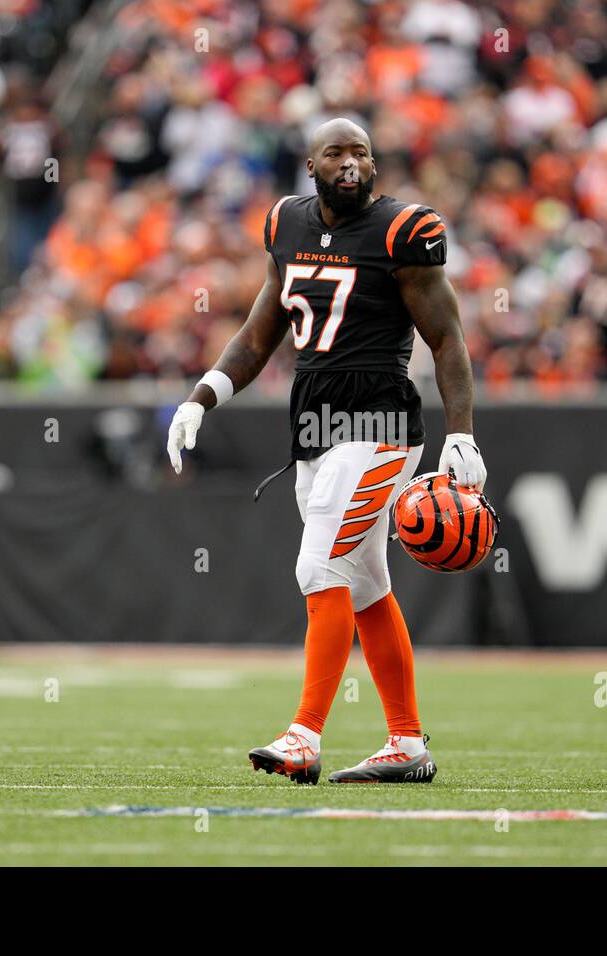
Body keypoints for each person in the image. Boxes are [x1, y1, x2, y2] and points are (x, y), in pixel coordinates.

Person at [166, 118, 486, 784]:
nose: (352, 163)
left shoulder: (405, 231)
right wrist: (202, 398)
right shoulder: (286, 223)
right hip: (313, 435)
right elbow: (258, 337)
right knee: (365, 584)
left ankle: (304, 736)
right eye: (337, 152)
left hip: (380, 430)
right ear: (311, 164)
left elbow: (448, 339)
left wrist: (461, 432)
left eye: (363, 152)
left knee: (318, 570)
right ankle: (406, 744)